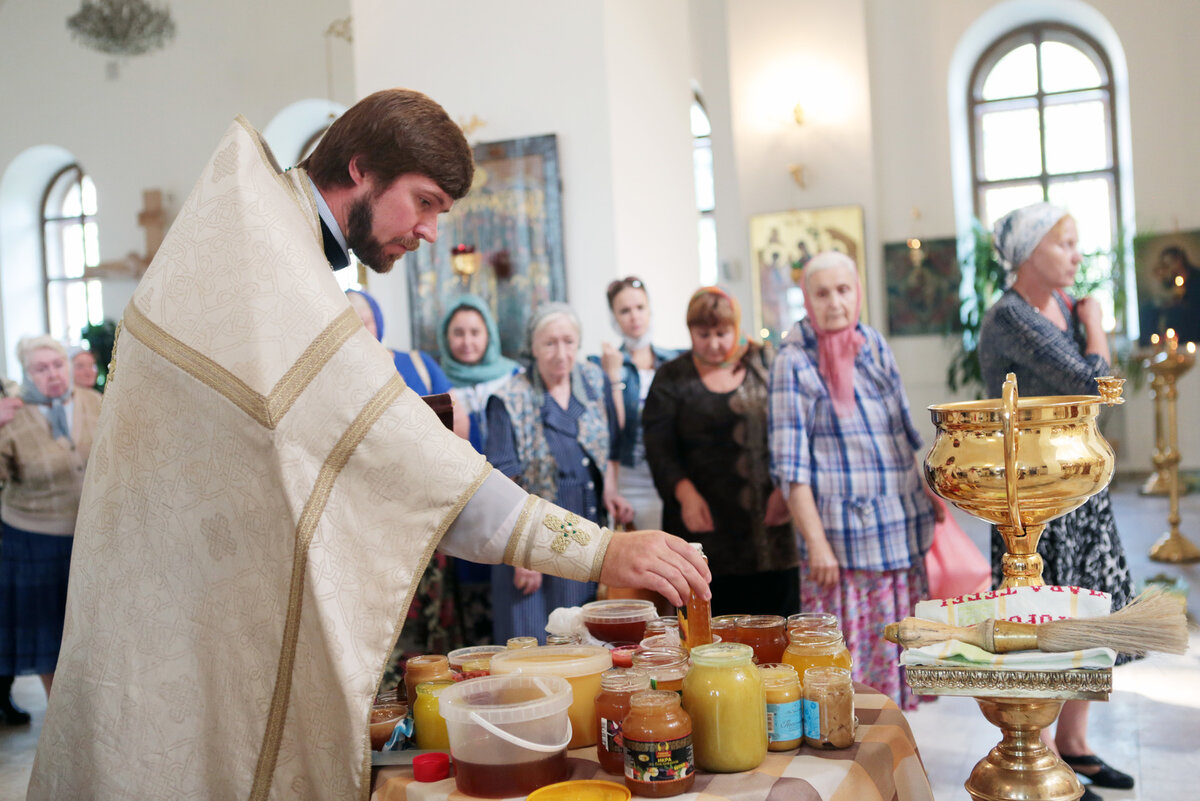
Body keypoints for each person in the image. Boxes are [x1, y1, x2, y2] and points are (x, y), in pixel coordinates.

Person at [28, 89, 710, 801]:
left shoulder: (263, 229)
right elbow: (413, 466)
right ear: (360, 170)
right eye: (423, 202)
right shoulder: (272, 267)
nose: (430, 232)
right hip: (176, 616)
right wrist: (600, 551)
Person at [980, 202, 1135, 798]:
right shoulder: (1012, 316)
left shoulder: (1059, 306)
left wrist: (1087, 321)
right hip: (1034, 497)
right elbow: (1099, 385)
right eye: (1065, 243)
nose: (1076, 254)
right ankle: (1044, 759)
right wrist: (1097, 326)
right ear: (1029, 252)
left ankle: (1075, 747)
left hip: (1077, 487)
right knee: (1045, 627)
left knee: (1088, 618)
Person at [767, 252, 938, 710]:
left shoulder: (873, 343)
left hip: (897, 527)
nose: (835, 303)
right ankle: (855, 754)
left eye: (844, 290)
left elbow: (900, 435)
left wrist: (925, 493)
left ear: (857, 292)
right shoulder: (793, 362)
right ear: (806, 300)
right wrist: (816, 543)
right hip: (843, 546)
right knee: (850, 673)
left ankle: (892, 747)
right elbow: (791, 467)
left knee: (895, 661)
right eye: (821, 293)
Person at [643, 287, 797, 617]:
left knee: (775, 633)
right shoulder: (671, 378)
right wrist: (684, 494)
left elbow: (794, 429)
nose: (714, 343)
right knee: (712, 632)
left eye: (722, 333)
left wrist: (787, 490)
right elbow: (658, 449)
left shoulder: (767, 363)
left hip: (770, 528)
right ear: (690, 332)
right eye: (703, 334)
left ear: (737, 328)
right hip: (703, 525)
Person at [485, 303, 633, 642]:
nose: (560, 353)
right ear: (532, 347)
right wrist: (520, 556)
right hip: (533, 536)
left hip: (586, 529)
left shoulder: (592, 381)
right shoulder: (509, 399)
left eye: (569, 341)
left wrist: (609, 489)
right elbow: (502, 485)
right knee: (537, 645)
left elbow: (609, 445)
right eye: (549, 343)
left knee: (587, 642)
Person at [0, 337, 103, 709]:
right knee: (49, 638)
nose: (53, 375)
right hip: (33, 541)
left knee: (94, 632)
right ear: (26, 375)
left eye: (57, 364)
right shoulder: (11, 415)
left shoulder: (95, 402)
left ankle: (97, 712)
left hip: (92, 538)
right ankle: (61, 713)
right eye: (40, 369)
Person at [591, 276, 678, 531]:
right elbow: (614, 430)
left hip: (673, 477)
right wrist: (614, 376)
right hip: (630, 482)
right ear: (614, 318)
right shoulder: (603, 365)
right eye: (625, 311)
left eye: (640, 307)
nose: (634, 317)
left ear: (650, 309)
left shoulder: (673, 362)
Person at [436, 294, 522, 452]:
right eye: (458, 333)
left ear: (489, 335)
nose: (467, 342)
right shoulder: (436, 382)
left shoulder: (515, 377)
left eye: (475, 333)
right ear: (445, 336)